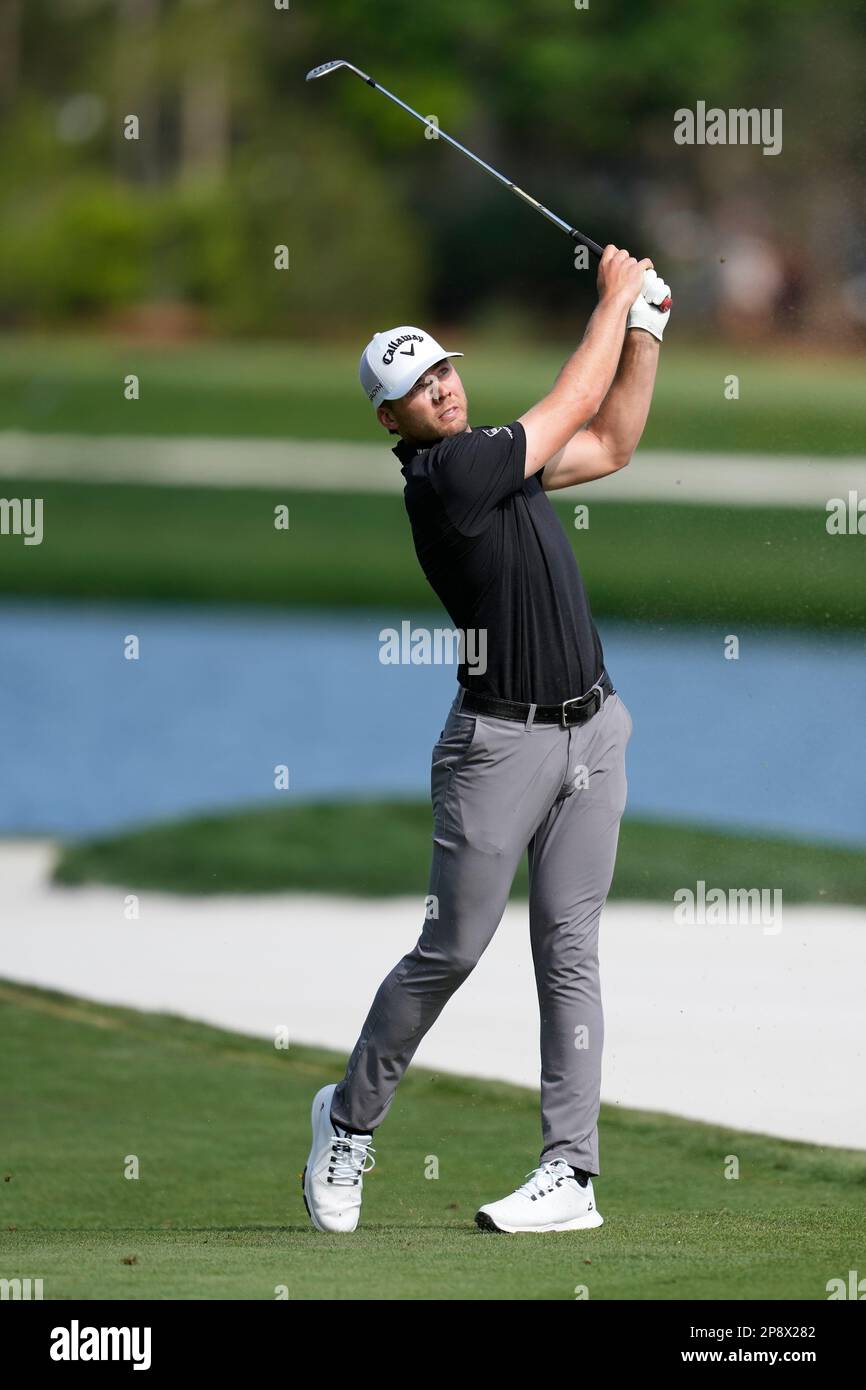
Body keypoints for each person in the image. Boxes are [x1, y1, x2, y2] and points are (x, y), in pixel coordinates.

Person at [302, 246, 671, 1234]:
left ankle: (570, 1174)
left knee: (570, 952)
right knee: (452, 947)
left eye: (443, 371)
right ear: (391, 419)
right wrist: (612, 300)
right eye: (417, 389)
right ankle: (347, 1118)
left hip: (592, 728)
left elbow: (615, 436)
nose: (441, 391)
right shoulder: (446, 476)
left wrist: (645, 330)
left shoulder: (497, 455)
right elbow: (571, 393)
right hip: (495, 748)